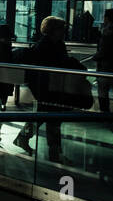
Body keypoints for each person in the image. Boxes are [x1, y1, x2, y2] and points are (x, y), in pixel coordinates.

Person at [13, 16, 86, 164]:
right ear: (54, 30)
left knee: (44, 115)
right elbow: (58, 63)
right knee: (52, 117)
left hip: (52, 86)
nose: (64, 32)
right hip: (47, 86)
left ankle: (25, 138)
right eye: (61, 29)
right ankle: (54, 152)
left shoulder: (54, 44)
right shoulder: (47, 45)